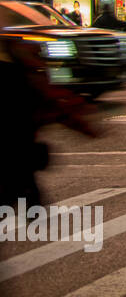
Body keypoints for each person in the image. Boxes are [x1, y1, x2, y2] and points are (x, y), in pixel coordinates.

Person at [0, 35, 99, 210]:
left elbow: (56, 109)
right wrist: (87, 128)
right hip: (16, 161)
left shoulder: (19, 76)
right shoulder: (23, 78)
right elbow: (57, 109)